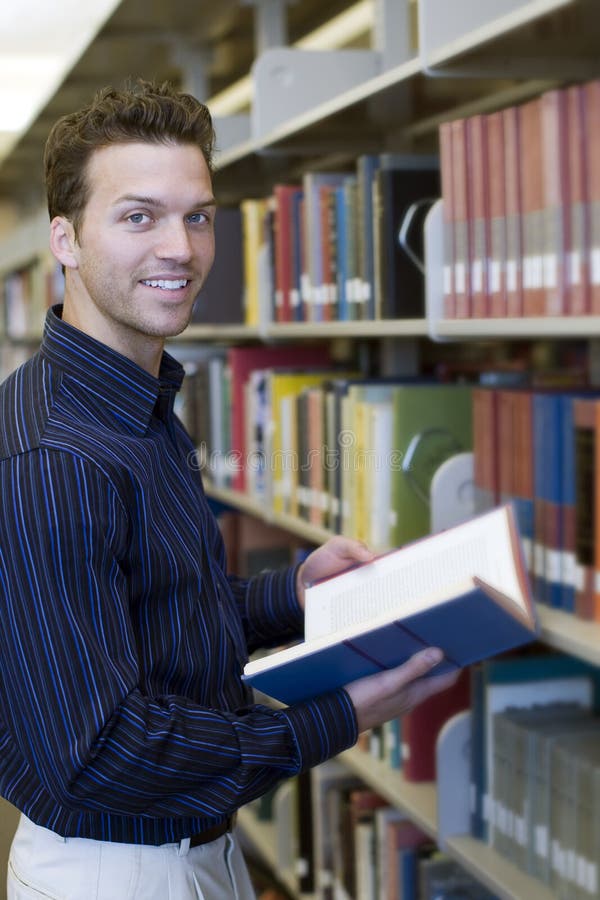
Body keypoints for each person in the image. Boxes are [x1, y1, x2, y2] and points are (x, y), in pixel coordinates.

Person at [0, 80, 457, 899]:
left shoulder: (135, 403)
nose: (179, 247)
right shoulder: (57, 455)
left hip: (187, 851)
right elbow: (100, 752)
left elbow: (155, 614)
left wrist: (295, 596)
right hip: (119, 871)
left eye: (198, 216)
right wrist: (335, 719)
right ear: (64, 239)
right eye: (139, 217)